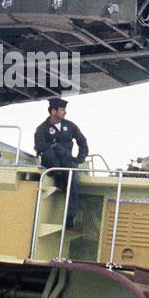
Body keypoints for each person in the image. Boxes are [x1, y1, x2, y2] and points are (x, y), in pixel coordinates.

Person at [33, 98, 88, 229]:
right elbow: (40, 146)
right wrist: (54, 157)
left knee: (73, 181)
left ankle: (69, 217)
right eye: (62, 110)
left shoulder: (70, 126)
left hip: (68, 161)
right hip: (52, 163)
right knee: (51, 154)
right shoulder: (42, 129)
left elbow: (82, 142)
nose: (65, 112)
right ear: (53, 111)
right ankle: (58, 176)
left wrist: (80, 158)